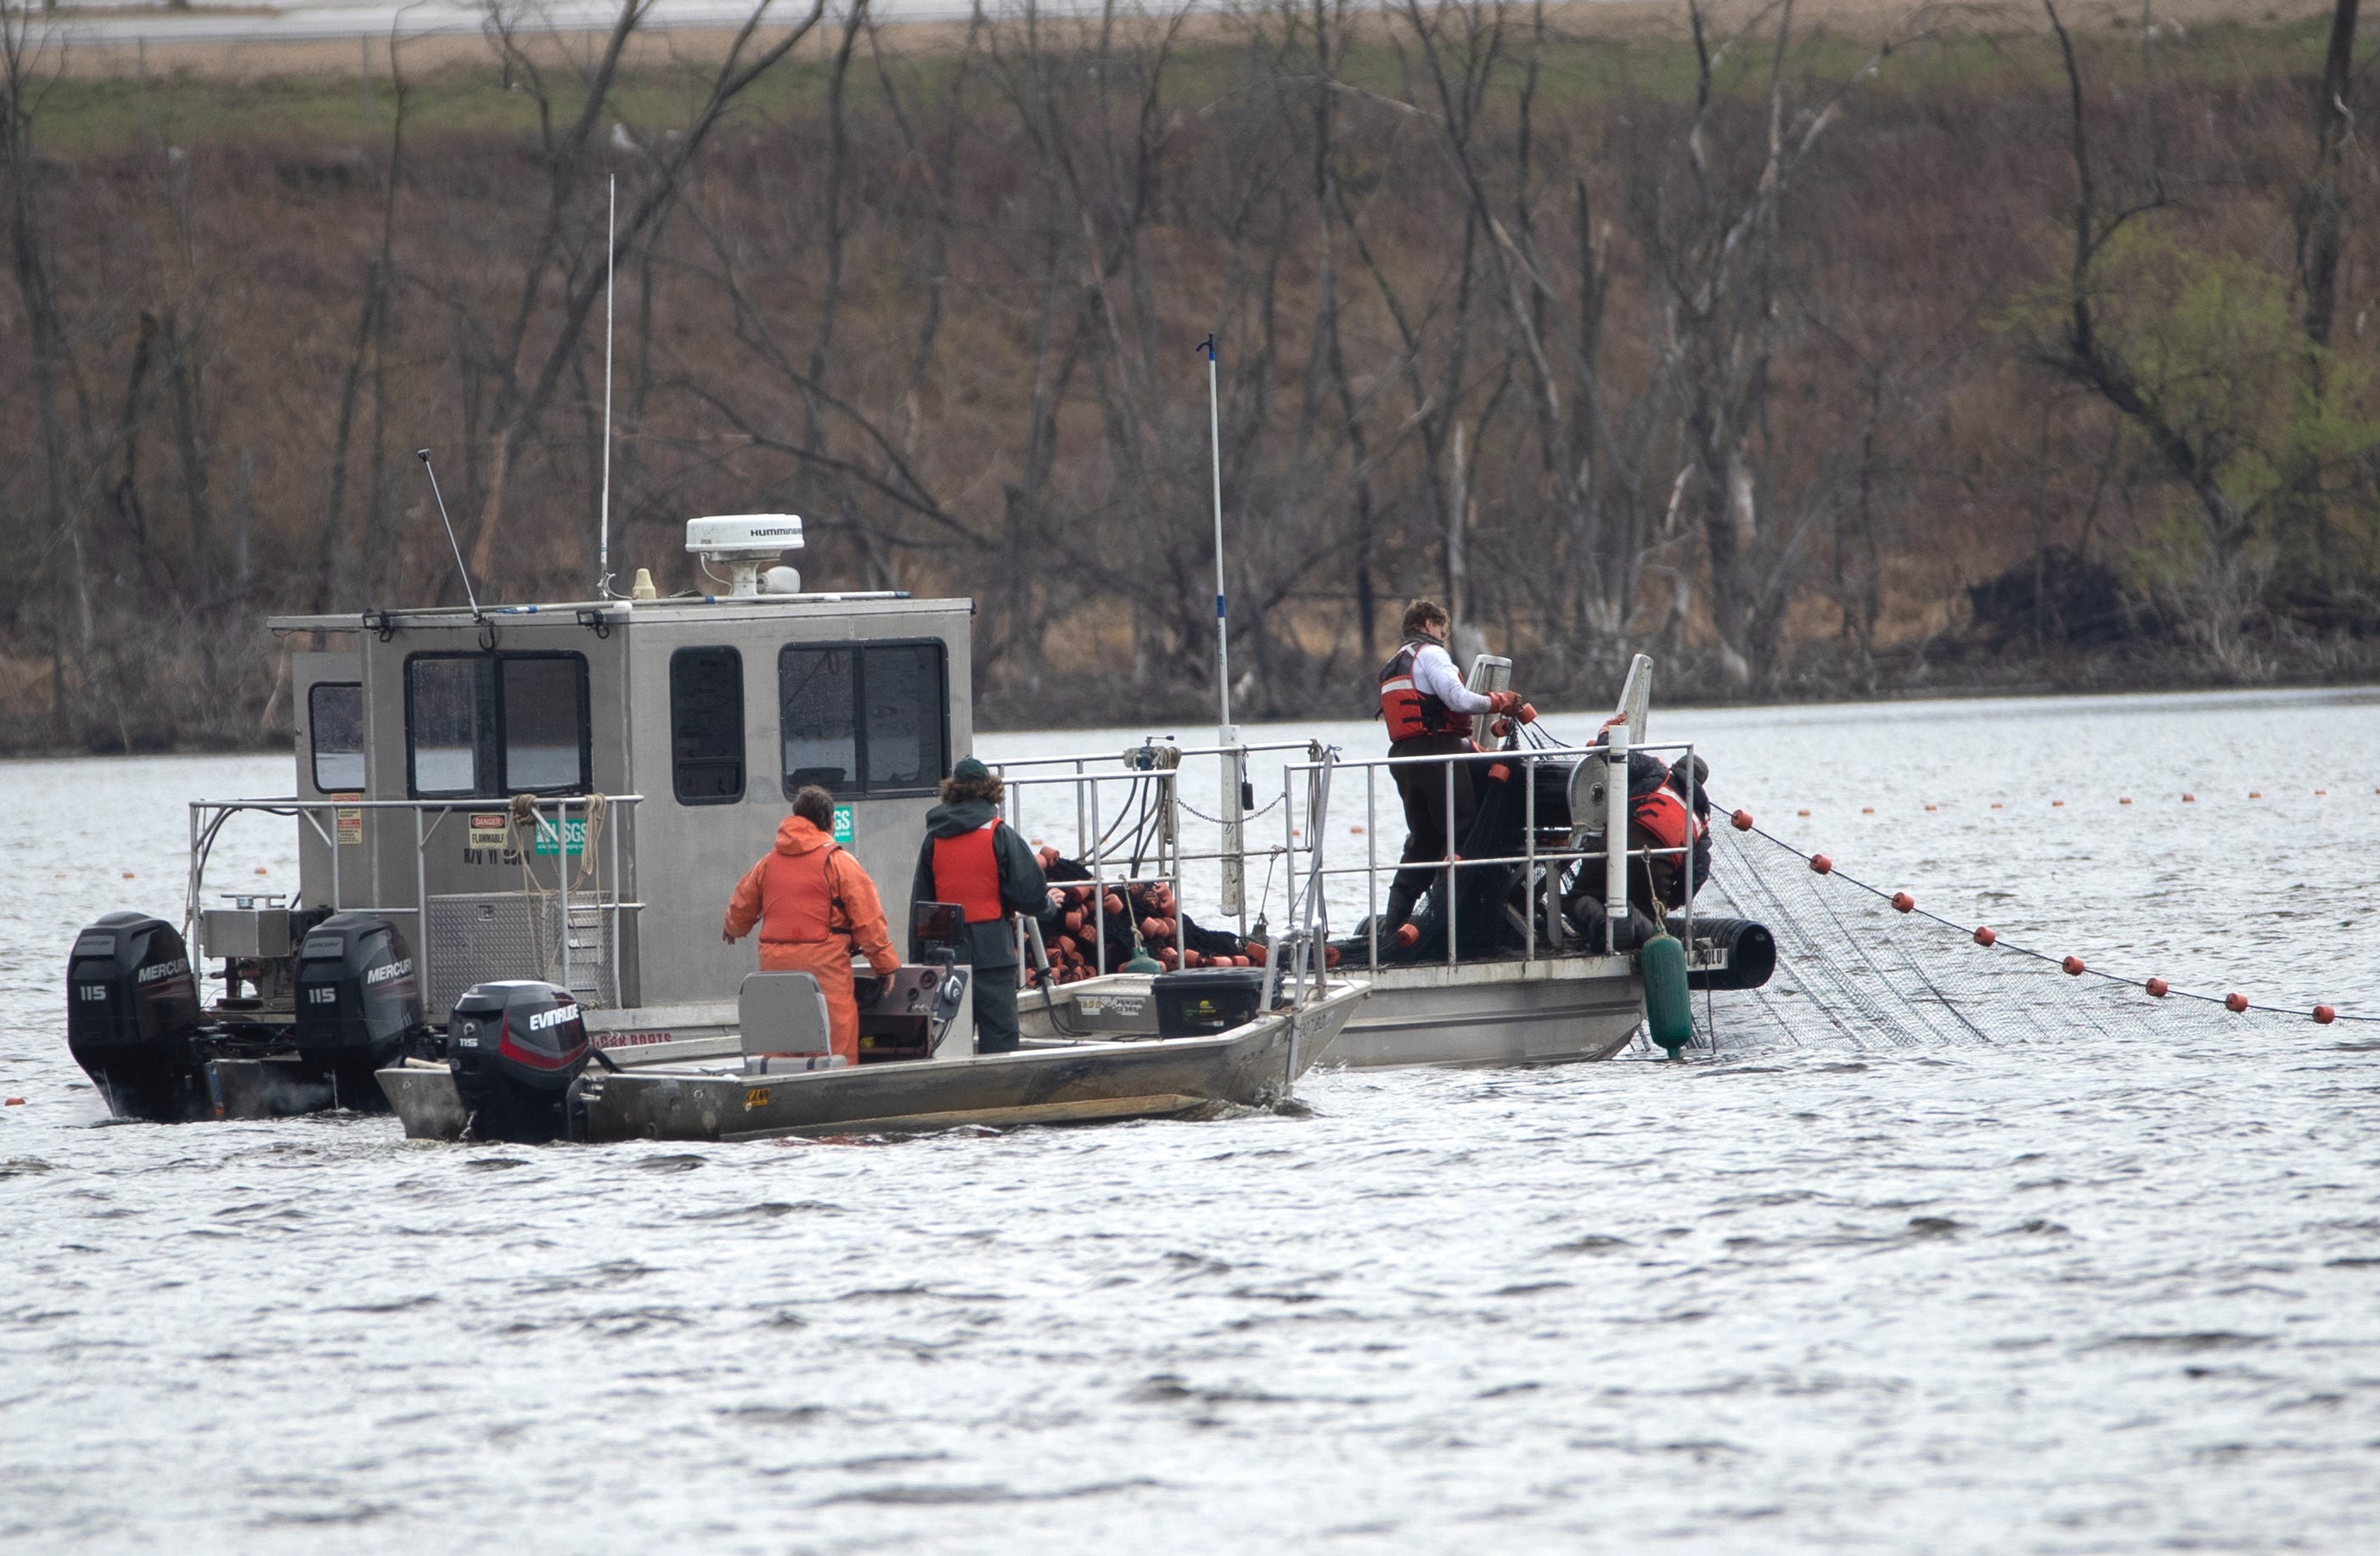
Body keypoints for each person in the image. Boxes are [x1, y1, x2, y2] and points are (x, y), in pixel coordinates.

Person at [1376, 598, 1528, 934]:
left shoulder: (1394, 662)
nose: (1443, 638)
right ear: (1429, 624)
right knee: (1466, 830)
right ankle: (1470, 923)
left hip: (1403, 758)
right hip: (1437, 753)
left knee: (1423, 841)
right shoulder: (1432, 655)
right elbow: (1458, 699)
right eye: (1442, 631)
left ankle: (1394, 926)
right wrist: (1497, 701)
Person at [723, 784, 899, 1064]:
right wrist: (885, 965)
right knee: (831, 1052)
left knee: (780, 1049)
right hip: (824, 973)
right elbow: (869, 923)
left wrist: (732, 929)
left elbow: (740, 907)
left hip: (776, 973)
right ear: (830, 823)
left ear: (796, 816)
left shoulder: (768, 864)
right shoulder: (839, 862)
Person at [910, 757, 1052, 1055]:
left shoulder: (933, 839)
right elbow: (1028, 892)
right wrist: (1049, 907)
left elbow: (920, 906)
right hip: (993, 955)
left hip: (945, 956)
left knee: (948, 1038)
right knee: (1000, 1037)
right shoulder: (1000, 833)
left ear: (952, 790)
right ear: (989, 790)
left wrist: (919, 961)